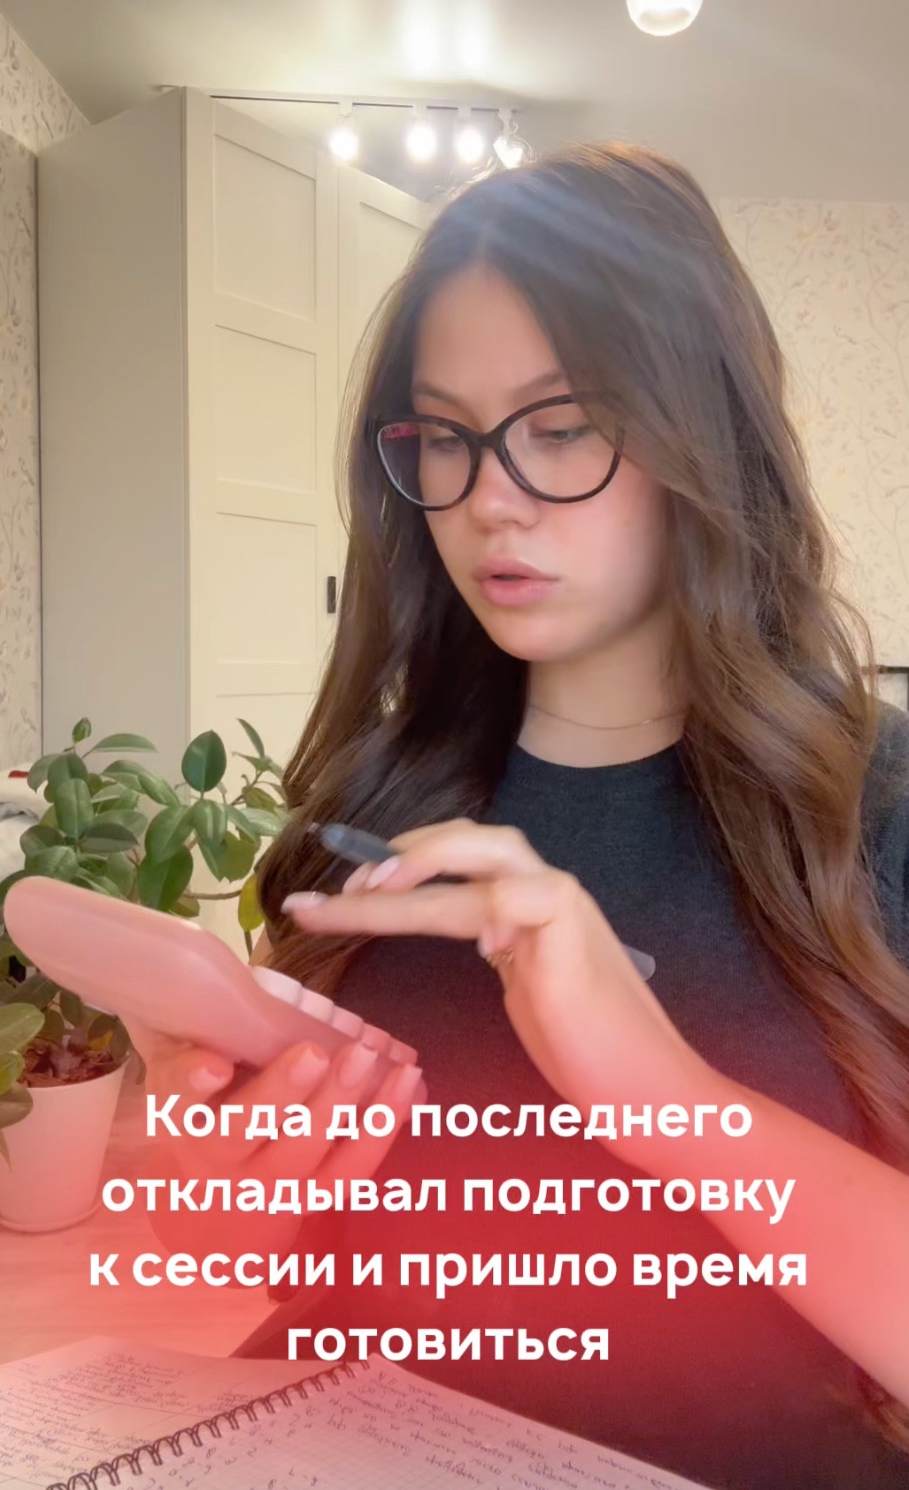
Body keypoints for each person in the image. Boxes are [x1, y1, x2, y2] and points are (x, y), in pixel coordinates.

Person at [127, 143, 909, 1490]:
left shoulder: (872, 809)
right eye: (443, 436)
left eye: (563, 426)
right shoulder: (369, 805)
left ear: (702, 433)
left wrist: (650, 1082)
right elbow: (306, 1264)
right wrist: (222, 1182)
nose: (489, 498)